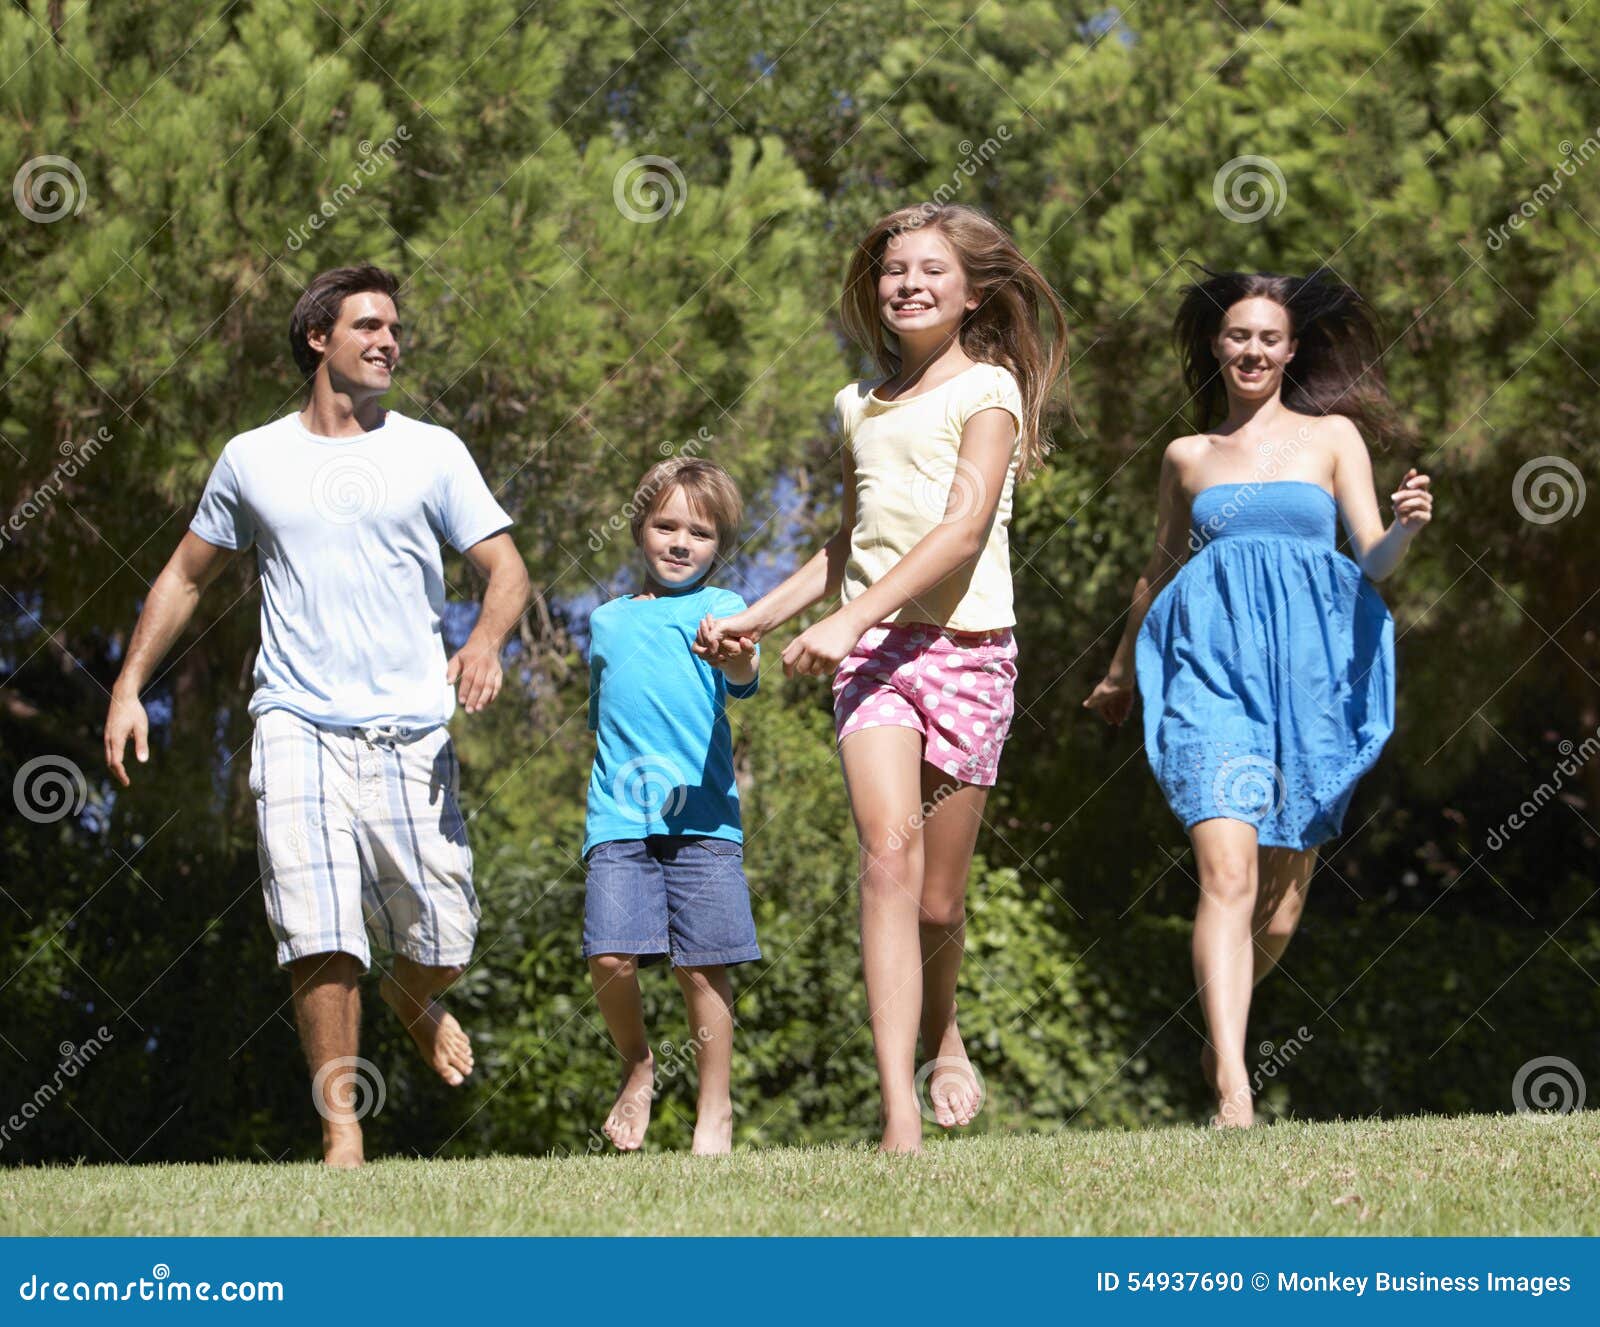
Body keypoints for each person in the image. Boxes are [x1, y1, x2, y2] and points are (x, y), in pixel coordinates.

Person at [103, 264, 531, 1166]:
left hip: (410, 730)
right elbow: (186, 575)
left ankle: (417, 1000)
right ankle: (342, 1131)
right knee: (319, 927)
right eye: (368, 325)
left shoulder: (432, 451)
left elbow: (507, 568)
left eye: (395, 329)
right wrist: (128, 682)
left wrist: (486, 641)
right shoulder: (253, 458)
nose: (388, 341)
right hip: (295, 719)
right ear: (318, 338)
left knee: (442, 938)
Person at [698, 203, 1068, 1152]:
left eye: (931, 270)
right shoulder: (856, 404)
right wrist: (762, 614)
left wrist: (849, 613)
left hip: (969, 651)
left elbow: (962, 529)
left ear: (973, 291)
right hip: (876, 663)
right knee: (886, 862)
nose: (908, 284)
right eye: (894, 270)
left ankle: (946, 1033)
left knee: (941, 899)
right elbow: (851, 541)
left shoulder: (989, 390)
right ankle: (896, 1110)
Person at [1083, 269, 1433, 1127]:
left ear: (1291, 350)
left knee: (1276, 914)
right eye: (1238, 335)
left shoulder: (1333, 437)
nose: (1252, 349)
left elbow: (1372, 558)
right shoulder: (1188, 458)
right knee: (1227, 871)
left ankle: (1223, 1024)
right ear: (1216, 344)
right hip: (1208, 674)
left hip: (1309, 681)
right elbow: (1159, 571)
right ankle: (1234, 1086)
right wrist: (1123, 669)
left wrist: (1409, 531)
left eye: (1269, 337)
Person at [583, 458, 762, 1155]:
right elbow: (606, 716)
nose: (682, 542)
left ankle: (713, 1109)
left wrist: (737, 656)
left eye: (701, 531)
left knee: (702, 965)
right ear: (640, 528)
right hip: (619, 817)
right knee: (610, 959)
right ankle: (638, 1064)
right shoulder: (605, 621)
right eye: (667, 525)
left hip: (704, 817)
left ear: (719, 545)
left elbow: (744, 677)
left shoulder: (724, 612)